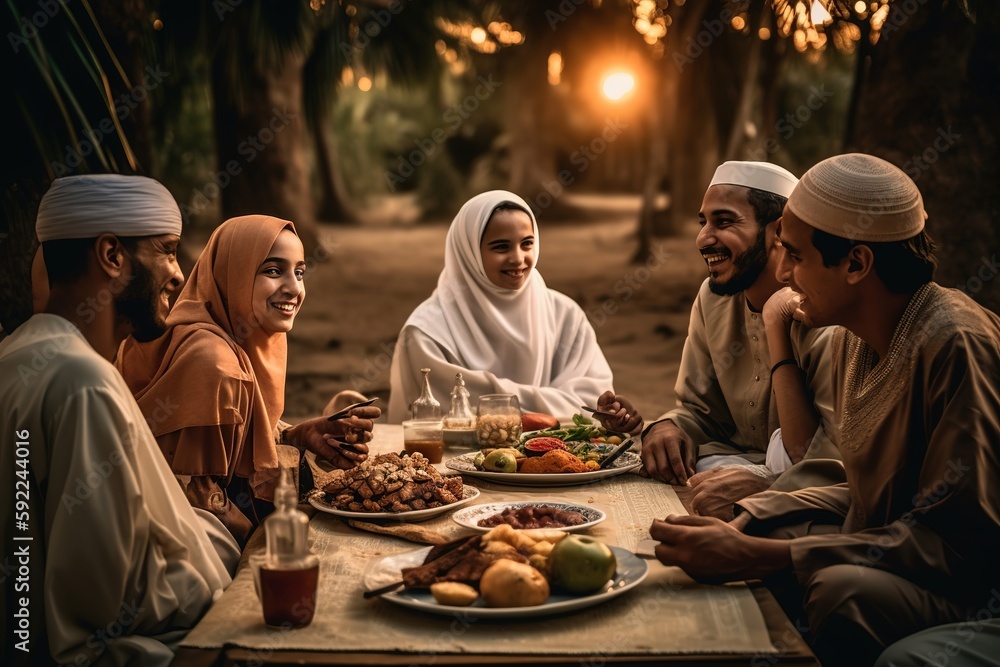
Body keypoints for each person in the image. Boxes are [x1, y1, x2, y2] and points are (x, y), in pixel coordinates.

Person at [650, 154, 1000, 666]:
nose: (784, 273)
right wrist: (747, 524)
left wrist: (762, 554)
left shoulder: (954, 345)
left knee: (840, 591)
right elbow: (863, 499)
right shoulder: (861, 339)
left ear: (856, 264)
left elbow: (959, 546)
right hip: (892, 546)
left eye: (793, 255)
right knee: (757, 528)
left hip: (972, 582)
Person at [0, 174, 236, 667]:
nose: (178, 273)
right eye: (167, 251)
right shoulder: (83, 381)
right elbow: (106, 604)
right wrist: (224, 557)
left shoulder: (19, 353)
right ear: (111, 255)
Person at [116, 215, 378, 544]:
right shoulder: (215, 366)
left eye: (299, 272)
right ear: (233, 276)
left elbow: (232, 453)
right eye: (272, 270)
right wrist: (271, 542)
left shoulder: (226, 331)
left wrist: (298, 436)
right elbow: (199, 502)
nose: (294, 288)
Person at [636, 161, 840, 519]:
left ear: (779, 230)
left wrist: (769, 486)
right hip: (724, 468)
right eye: (704, 222)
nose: (703, 238)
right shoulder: (713, 298)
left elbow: (838, 459)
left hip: (816, 495)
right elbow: (700, 411)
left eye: (724, 222)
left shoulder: (825, 315)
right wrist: (667, 426)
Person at [387, 190, 615, 423]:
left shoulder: (565, 315)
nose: (518, 258)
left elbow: (595, 401)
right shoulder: (426, 333)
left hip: (560, 455)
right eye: (501, 247)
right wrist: (557, 405)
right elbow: (440, 418)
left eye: (527, 244)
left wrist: (495, 404)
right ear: (469, 252)